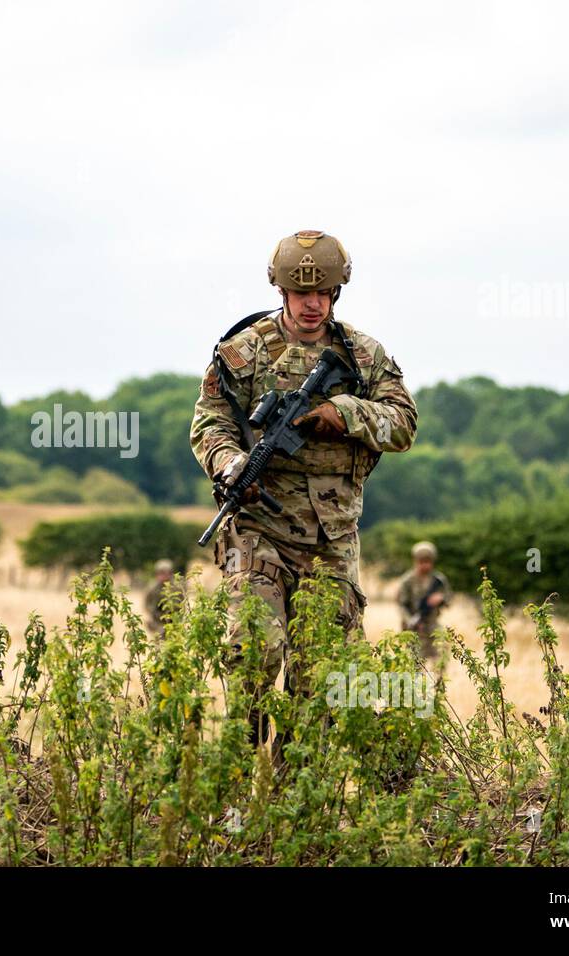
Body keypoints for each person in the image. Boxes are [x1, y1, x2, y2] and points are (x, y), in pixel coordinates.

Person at [189, 229, 417, 746]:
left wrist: (345, 412)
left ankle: (297, 812)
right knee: (253, 651)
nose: (312, 304)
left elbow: (403, 424)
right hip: (257, 527)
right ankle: (236, 788)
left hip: (331, 538)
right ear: (281, 292)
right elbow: (209, 426)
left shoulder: (363, 356)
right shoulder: (243, 352)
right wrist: (230, 465)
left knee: (322, 683)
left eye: (322, 294)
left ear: (336, 292)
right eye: (300, 294)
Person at [396, 540, 453, 660]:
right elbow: (401, 604)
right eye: (421, 562)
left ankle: (439, 679)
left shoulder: (438, 580)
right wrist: (411, 620)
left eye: (428, 562)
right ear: (415, 561)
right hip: (414, 628)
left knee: (442, 657)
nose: (425, 565)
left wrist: (441, 599)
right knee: (415, 663)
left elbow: (449, 598)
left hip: (433, 625)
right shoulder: (407, 581)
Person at [144, 559, 177, 634]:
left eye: (167, 573)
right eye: (162, 573)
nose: (165, 576)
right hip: (157, 622)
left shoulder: (176, 588)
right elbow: (146, 605)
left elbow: (182, 605)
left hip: (174, 622)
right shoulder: (152, 588)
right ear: (157, 574)